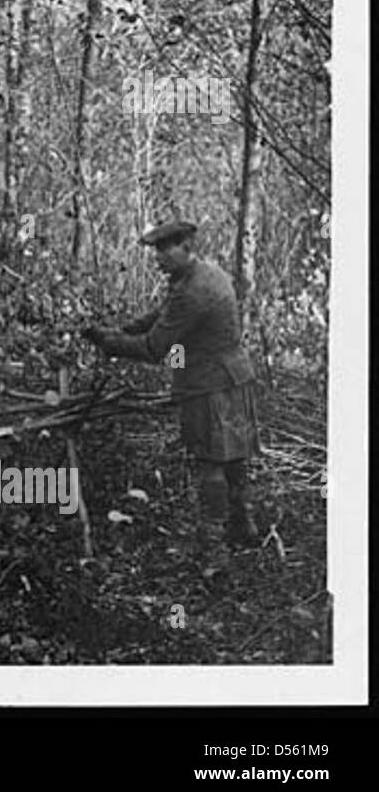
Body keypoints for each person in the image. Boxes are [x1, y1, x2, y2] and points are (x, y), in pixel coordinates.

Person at [83, 220, 260, 575]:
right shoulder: (203, 275)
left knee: (209, 462)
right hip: (234, 377)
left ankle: (213, 554)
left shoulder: (193, 290)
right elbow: (163, 316)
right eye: (155, 251)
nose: (158, 259)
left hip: (209, 384)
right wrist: (124, 329)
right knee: (234, 458)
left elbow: (155, 348)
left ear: (184, 247)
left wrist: (107, 342)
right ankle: (244, 529)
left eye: (164, 250)